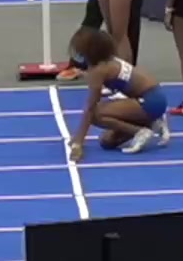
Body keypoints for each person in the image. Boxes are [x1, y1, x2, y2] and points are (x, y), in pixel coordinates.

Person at [65, 28, 171, 161]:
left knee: (97, 114)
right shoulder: (110, 62)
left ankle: (140, 131)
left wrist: (78, 141)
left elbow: (91, 107)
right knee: (107, 141)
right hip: (153, 97)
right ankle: (151, 122)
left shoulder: (98, 71)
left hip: (149, 100)